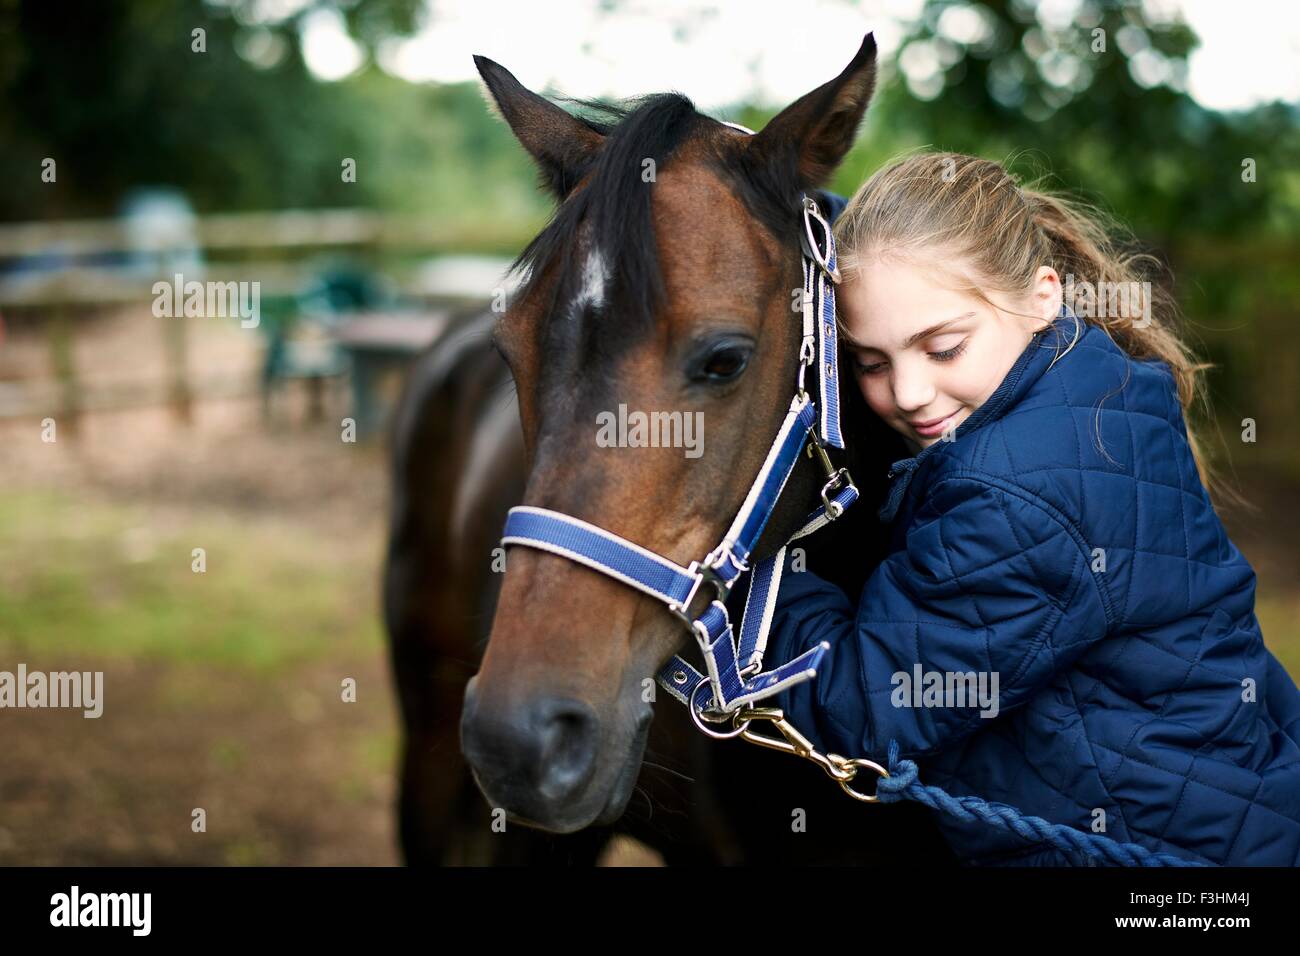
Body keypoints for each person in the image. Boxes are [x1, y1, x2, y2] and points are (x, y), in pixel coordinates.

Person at [766, 152, 1300, 866]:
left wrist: (758, 577)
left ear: (1042, 295)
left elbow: (862, 708)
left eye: (944, 347)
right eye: (870, 362)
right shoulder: (1098, 389)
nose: (910, 391)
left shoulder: (1013, 500)